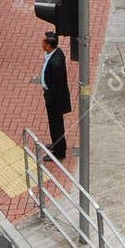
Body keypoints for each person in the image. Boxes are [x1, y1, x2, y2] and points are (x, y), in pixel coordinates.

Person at [40, 30, 72, 161]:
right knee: (53, 124)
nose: (41, 43)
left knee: (56, 124)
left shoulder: (56, 62)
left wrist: (49, 97)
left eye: (43, 42)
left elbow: (57, 85)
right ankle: (56, 144)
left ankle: (59, 152)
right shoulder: (55, 52)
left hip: (55, 99)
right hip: (52, 96)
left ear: (48, 45)